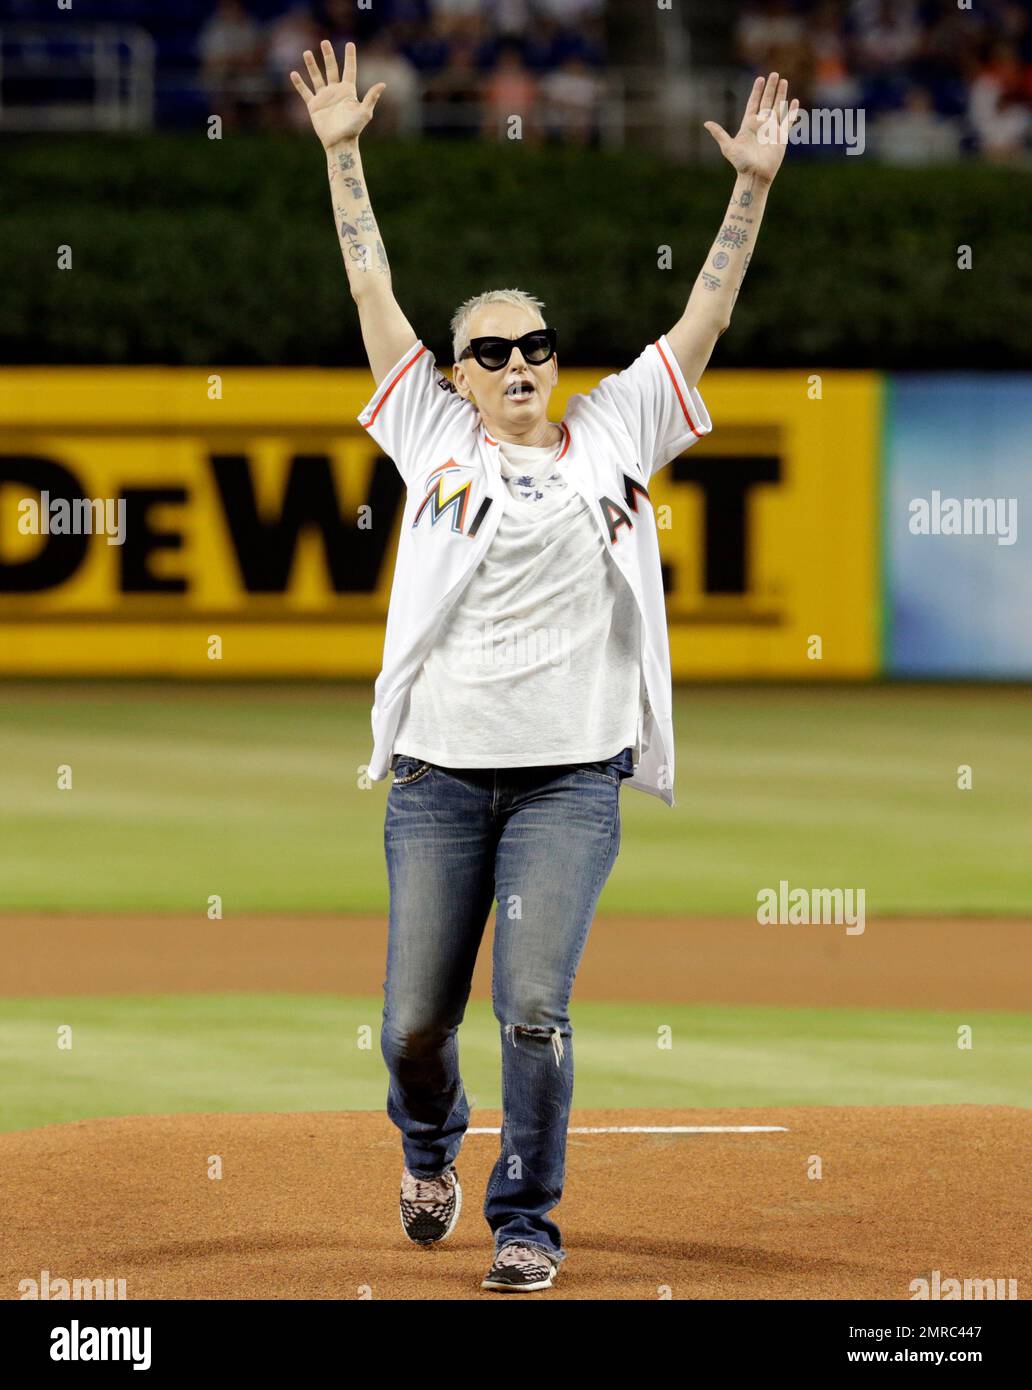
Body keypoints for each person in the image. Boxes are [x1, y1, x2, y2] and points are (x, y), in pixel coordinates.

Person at [290, 40, 798, 1293]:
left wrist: (753, 190)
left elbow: (709, 314)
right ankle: (429, 1146)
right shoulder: (431, 432)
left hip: (571, 777)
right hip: (439, 779)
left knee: (532, 1005)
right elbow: (372, 299)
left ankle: (526, 1222)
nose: (522, 363)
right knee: (416, 1021)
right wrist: (345, 159)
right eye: (496, 351)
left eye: (539, 345)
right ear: (456, 379)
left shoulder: (618, 428)